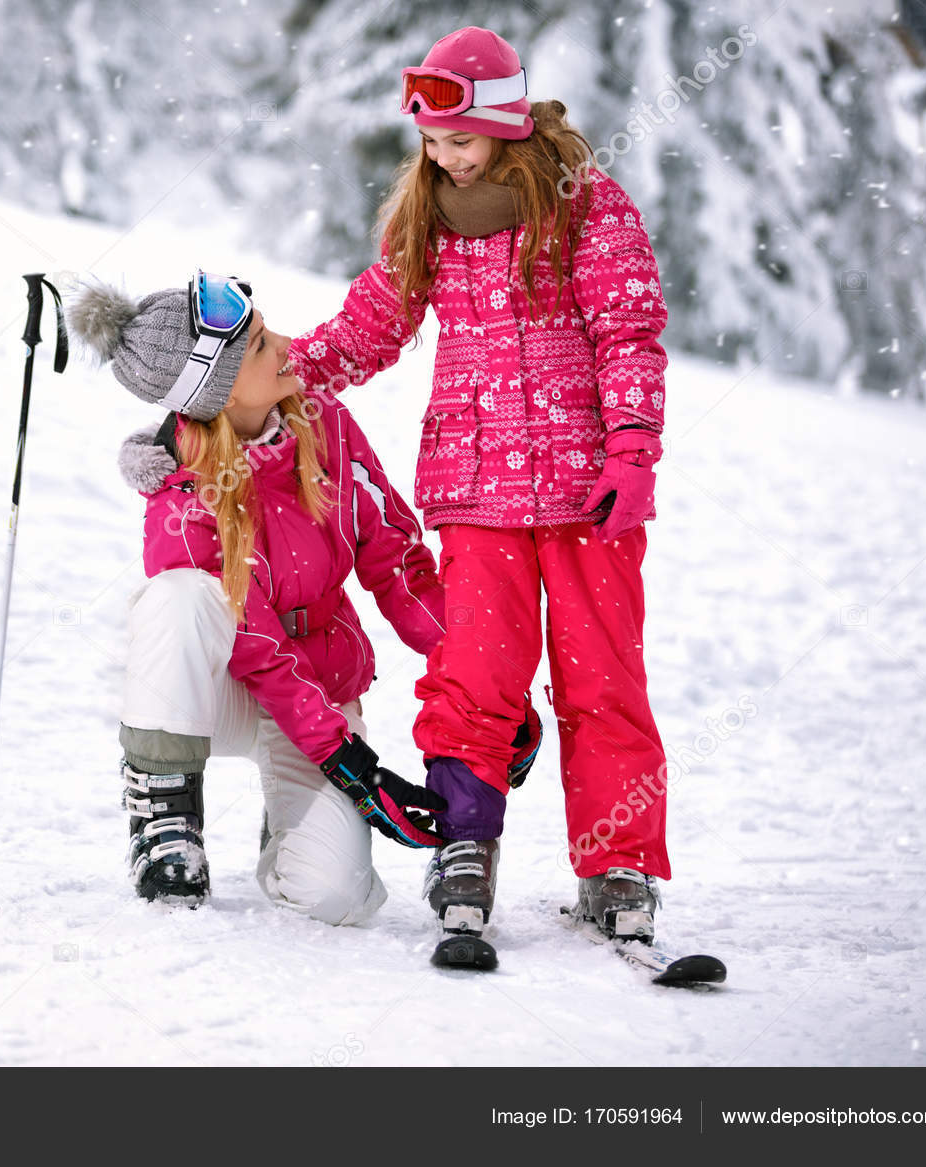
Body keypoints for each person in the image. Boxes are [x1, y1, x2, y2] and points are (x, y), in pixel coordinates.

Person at [281, 26, 673, 944]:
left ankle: (615, 862)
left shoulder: (587, 207)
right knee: (474, 675)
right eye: (429, 140)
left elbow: (628, 335)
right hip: (474, 490)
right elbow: (365, 330)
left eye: (458, 139)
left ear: (504, 124)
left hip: (589, 495)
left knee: (601, 677)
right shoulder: (426, 219)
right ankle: (465, 841)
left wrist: (632, 451)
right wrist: (282, 375)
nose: (443, 157)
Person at [68, 272, 482, 927]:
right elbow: (258, 652)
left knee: (335, 897)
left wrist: (474, 672)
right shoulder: (181, 505)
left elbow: (396, 561)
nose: (290, 344)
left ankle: (290, 816)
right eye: (262, 344)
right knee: (176, 599)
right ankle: (165, 820)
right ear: (218, 390)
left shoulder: (326, 423)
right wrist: (349, 761)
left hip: (317, 683)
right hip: (221, 692)